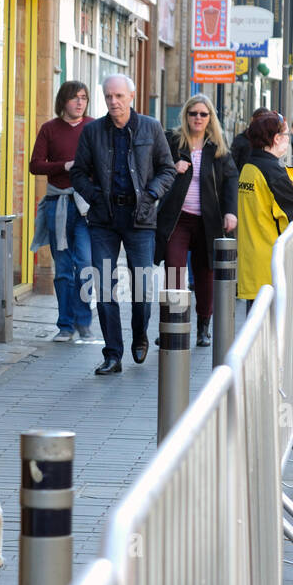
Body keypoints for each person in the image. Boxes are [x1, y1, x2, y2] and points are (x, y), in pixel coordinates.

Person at [69, 74, 176, 375]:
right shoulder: (92, 132)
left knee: (143, 287)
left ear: (131, 95)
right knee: (103, 287)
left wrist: (152, 194)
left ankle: (140, 333)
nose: (113, 102)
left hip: (140, 219)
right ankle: (112, 353)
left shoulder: (151, 128)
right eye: (108, 97)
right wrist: (94, 197)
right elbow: (78, 174)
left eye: (119, 96)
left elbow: (167, 169)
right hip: (103, 220)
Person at [155, 94, 238, 348]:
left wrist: (230, 211)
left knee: (205, 273)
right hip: (177, 219)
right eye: (194, 114)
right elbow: (154, 166)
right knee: (175, 272)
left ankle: (204, 326)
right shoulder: (172, 141)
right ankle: (172, 324)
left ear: (210, 117)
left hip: (208, 221)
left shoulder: (218, 147)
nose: (198, 118)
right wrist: (172, 165)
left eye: (204, 114)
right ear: (186, 115)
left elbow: (231, 179)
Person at [30, 80, 95, 342]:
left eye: (83, 98)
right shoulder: (49, 129)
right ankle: (65, 325)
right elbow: (36, 165)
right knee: (64, 269)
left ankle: (84, 321)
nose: (79, 102)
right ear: (62, 102)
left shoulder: (94, 127)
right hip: (57, 204)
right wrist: (64, 166)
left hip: (86, 207)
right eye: (74, 98)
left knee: (86, 264)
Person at [237, 111, 293, 305]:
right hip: (275, 270)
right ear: (277, 138)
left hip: (254, 266)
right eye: (287, 135)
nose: (289, 140)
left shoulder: (249, 167)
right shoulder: (274, 174)